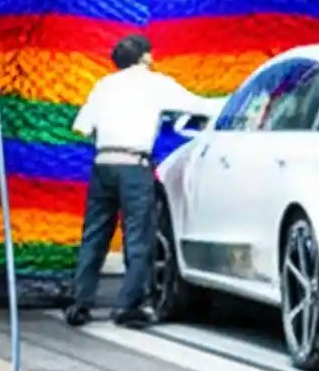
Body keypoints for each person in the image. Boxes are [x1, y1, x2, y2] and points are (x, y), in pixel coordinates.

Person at [64, 34, 222, 329]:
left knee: (94, 236)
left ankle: (80, 303)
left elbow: (82, 126)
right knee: (138, 236)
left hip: (103, 165)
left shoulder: (103, 85)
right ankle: (128, 305)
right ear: (145, 58)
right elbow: (200, 106)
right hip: (134, 167)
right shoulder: (155, 83)